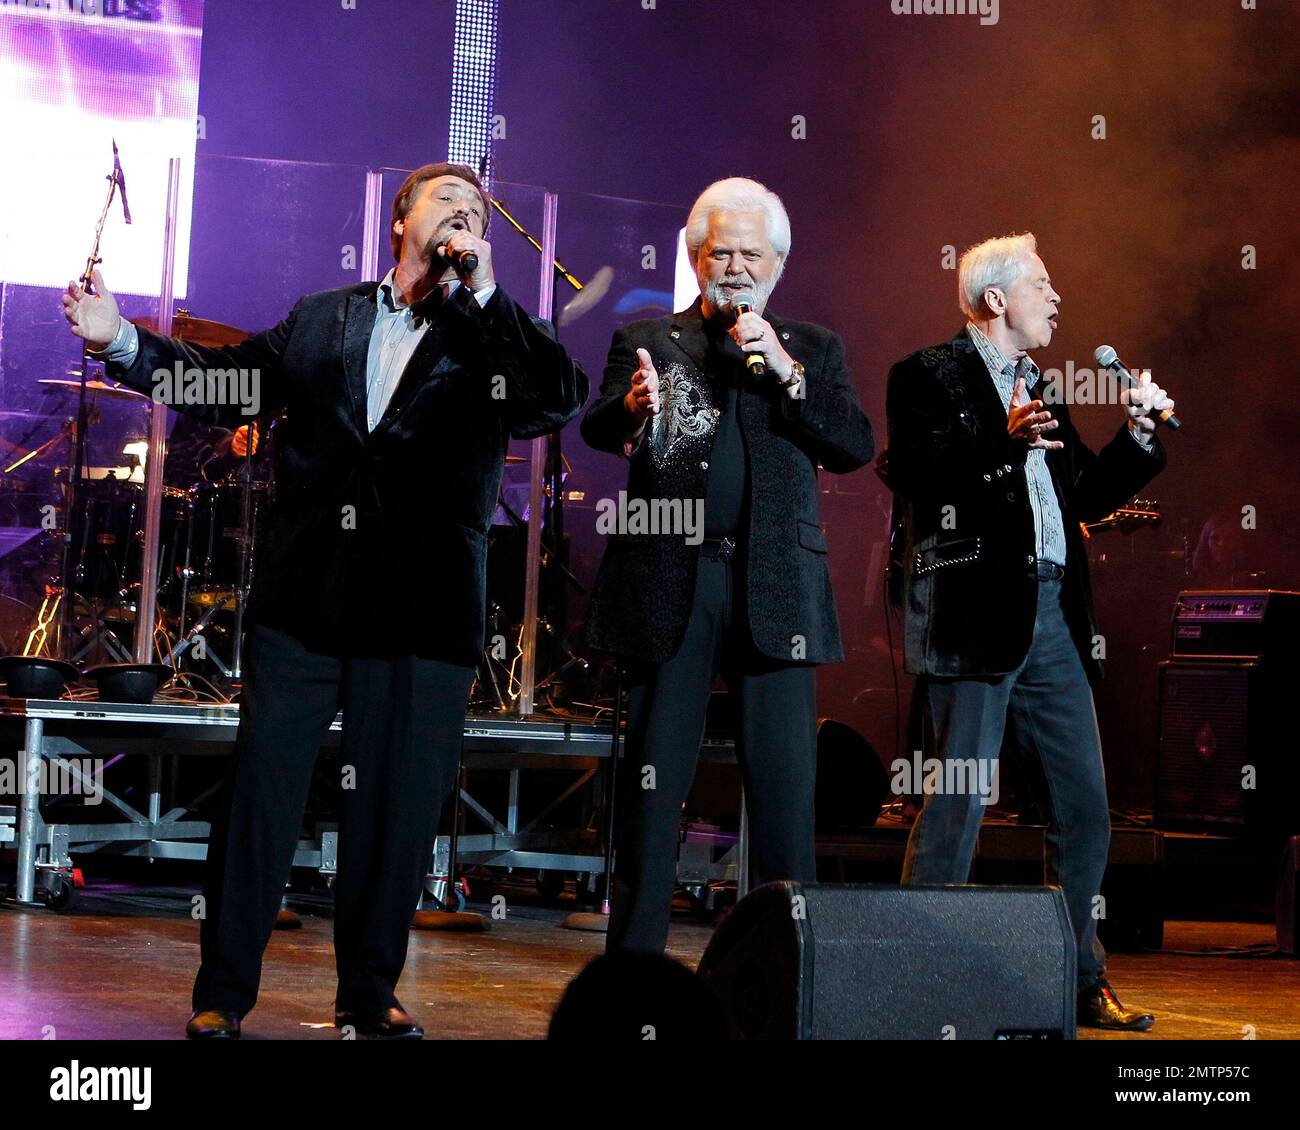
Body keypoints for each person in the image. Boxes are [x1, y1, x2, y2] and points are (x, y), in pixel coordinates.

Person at [62, 162, 587, 1039]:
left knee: (397, 807)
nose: (465, 212)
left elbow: (556, 397)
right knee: (261, 796)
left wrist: (491, 297)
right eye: (447, 200)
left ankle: (369, 995)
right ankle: (221, 997)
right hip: (305, 600)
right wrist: (122, 340)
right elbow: (222, 382)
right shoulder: (322, 318)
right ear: (399, 221)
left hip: (422, 613)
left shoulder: (489, 335)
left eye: (478, 207)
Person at [884, 232, 1171, 1030]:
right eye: (1042, 284)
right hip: (974, 611)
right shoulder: (929, 374)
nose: (1057, 298)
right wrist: (1002, 448)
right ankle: (917, 973)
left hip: (1052, 615)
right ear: (997, 299)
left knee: (1086, 804)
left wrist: (1139, 436)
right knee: (961, 801)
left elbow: (1079, 494)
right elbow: (915, 473)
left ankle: (1078, 972)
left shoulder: (1040, 383)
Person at [581, 177, 874, 953]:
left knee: (784, 797)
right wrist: (633, 410)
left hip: (776, 586)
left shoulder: (810, 346)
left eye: (751, 253)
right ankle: (633, 969)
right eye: (721, 252)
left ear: (777, 264)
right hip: (672, 581)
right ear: (695, 257)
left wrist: (786, 370)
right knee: (652, 786)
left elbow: (853, 444)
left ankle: (786, 970)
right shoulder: (649, 338)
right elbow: (599, 423)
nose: (736, 266)